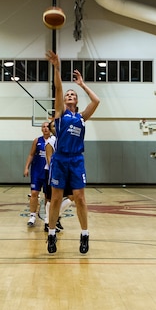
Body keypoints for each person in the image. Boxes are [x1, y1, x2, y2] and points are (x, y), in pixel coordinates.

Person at [45, 51, 100, 254]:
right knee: (57, 199)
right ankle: (51, 235)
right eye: (68, 94)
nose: (69, 95)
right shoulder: (60, 113)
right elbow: (58, 88)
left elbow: (96, 101)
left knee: (80, 198)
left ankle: (84, 235)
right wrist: (56, 67)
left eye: (72, 95)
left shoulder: (82, 117)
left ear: (76, 101)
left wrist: (82, 85)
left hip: (76, 159)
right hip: (60, 160)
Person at [23, 122, 54, 227]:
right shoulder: (37, 140)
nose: (45, 128)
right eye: (43, 127)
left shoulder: (53, 141)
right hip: (36, 171)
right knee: (34, 193)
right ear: (41, 129)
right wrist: (27, 167)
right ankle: (32, 216)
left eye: (47, 127)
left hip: (48, 172)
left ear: (50, 129)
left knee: (47, 196)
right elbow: (31, 154)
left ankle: (47, 217)